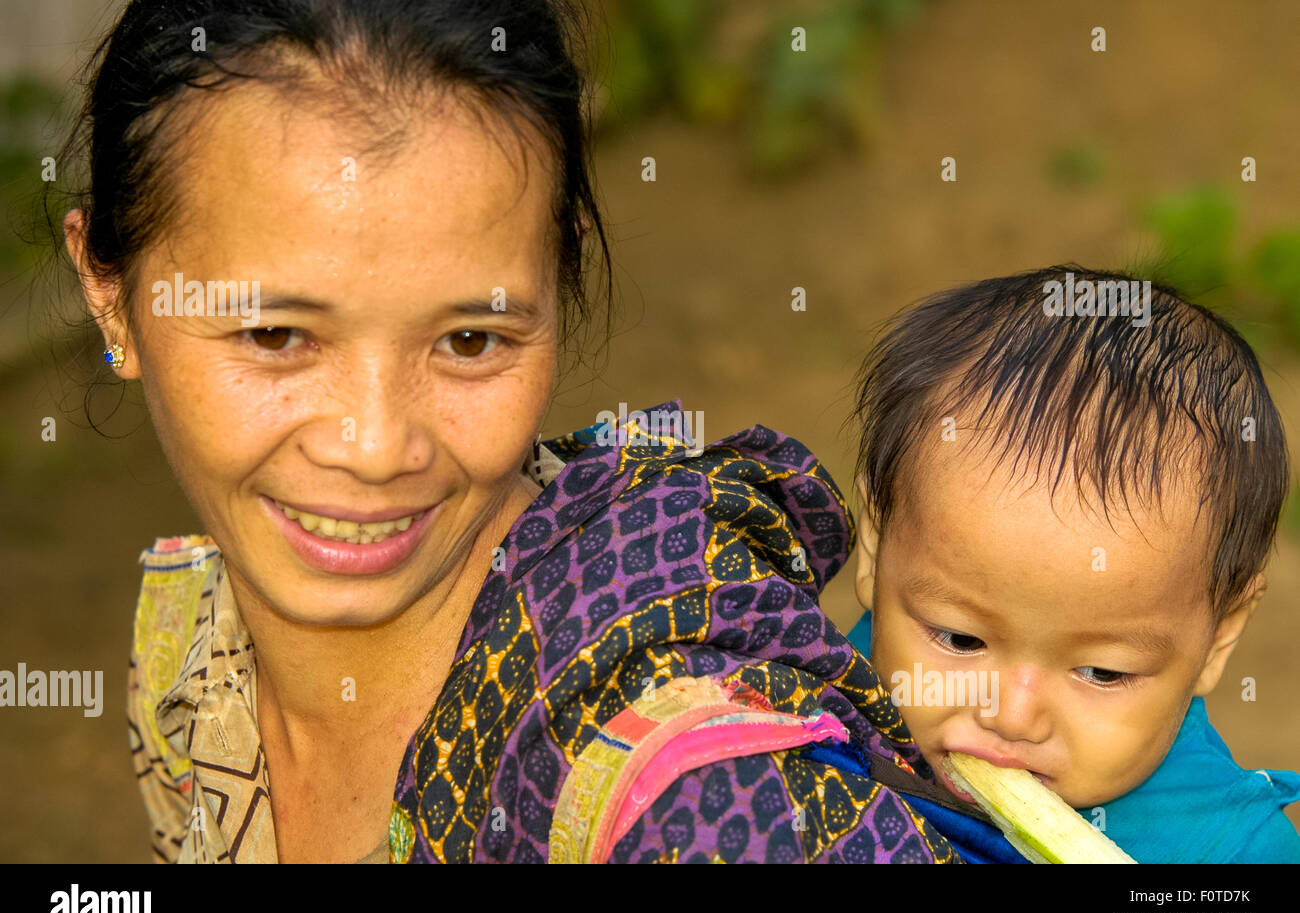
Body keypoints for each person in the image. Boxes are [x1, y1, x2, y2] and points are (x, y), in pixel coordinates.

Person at [55, 0, 975, 863]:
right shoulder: (196, 656)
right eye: (273, 335)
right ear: (110, 300)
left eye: (468, 340)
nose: (376, 446)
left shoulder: (694, 797)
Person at [846, 266, 1300, 863]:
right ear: (876, 549)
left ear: (1219, 638)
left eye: (1103, 674)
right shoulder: (811, 691)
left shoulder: (1228, 853)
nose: (1011, 717)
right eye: (959, 639)